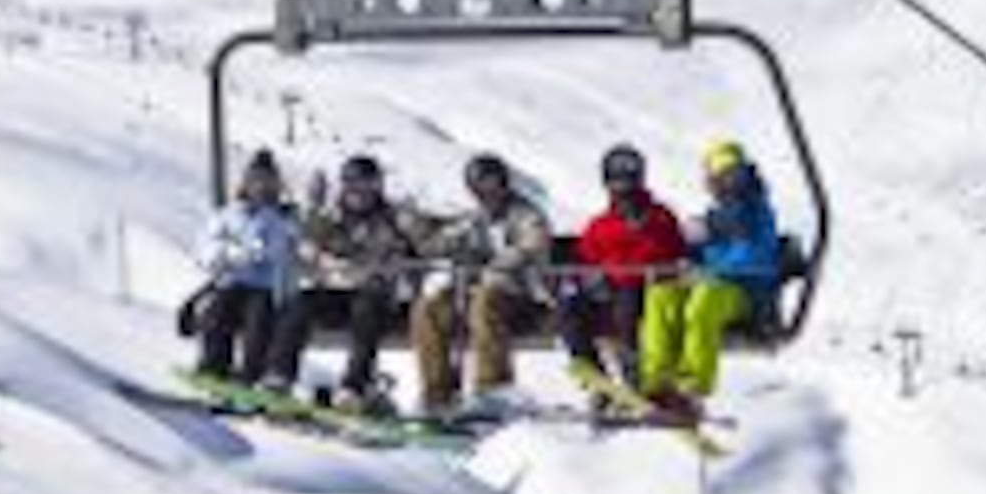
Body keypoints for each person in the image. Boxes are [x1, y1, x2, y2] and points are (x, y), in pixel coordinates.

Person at [638, 139, 780, 419]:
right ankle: (657, 381)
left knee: (702, 303)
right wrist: (685, 262)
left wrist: (709, 271)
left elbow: (756, 256)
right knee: (660, 295)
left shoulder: (757, 212)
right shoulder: (718, 215)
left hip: (745, 294)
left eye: (733, 176)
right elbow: (704, 253)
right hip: (711, 285)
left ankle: (692, 387)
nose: (728, 184)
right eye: (721, 178)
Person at [410, 153, 553, 417]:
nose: (485, 192)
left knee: (485, 301)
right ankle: (437, 392)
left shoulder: (525, 214)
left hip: (520, 296)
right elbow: (437, 244)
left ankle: (493, 388)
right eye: (478, 186)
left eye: (490, 184)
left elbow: (533, 244)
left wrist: (497, 263)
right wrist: (428, 233)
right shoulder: (475, 219)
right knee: (429, 308)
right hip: (473, 294)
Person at [283, 153, 419, 414]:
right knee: (301, 302)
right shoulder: (333, 217)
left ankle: (354, 386)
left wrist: (385, 265)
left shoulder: (390, 219)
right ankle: (279, 374)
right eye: (350, 184)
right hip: (337, 293)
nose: (357, 192)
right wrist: (313, 223)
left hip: (375, 297)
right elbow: (308, 242)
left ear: (376, 187)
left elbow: (405, 250)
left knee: (366, 310)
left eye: (364, 185)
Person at [561, 143, 687, 404]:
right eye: (616, 183)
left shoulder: (660, 218)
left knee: (627, 304)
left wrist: (644, 229)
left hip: (645, 293)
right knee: (571, 308)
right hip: (608, 295)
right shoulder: (601, 225)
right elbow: (584, 259)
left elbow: (671, 255)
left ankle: (638, 382)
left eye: (628, 182)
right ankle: (596, 379)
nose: (623, 190)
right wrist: (588, 280)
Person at [192, 149, 299, 388]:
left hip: (265, 286)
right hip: (232, 281)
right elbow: (207, 245)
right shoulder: (229, 215)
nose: (260, 188)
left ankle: (251, 373)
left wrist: (264, 250)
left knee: (259, 319)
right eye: (256, 181)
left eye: (267, 182)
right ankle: (214, 366)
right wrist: (227, 255)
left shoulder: (280, 218)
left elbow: (286, 248)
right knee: (217, 313)